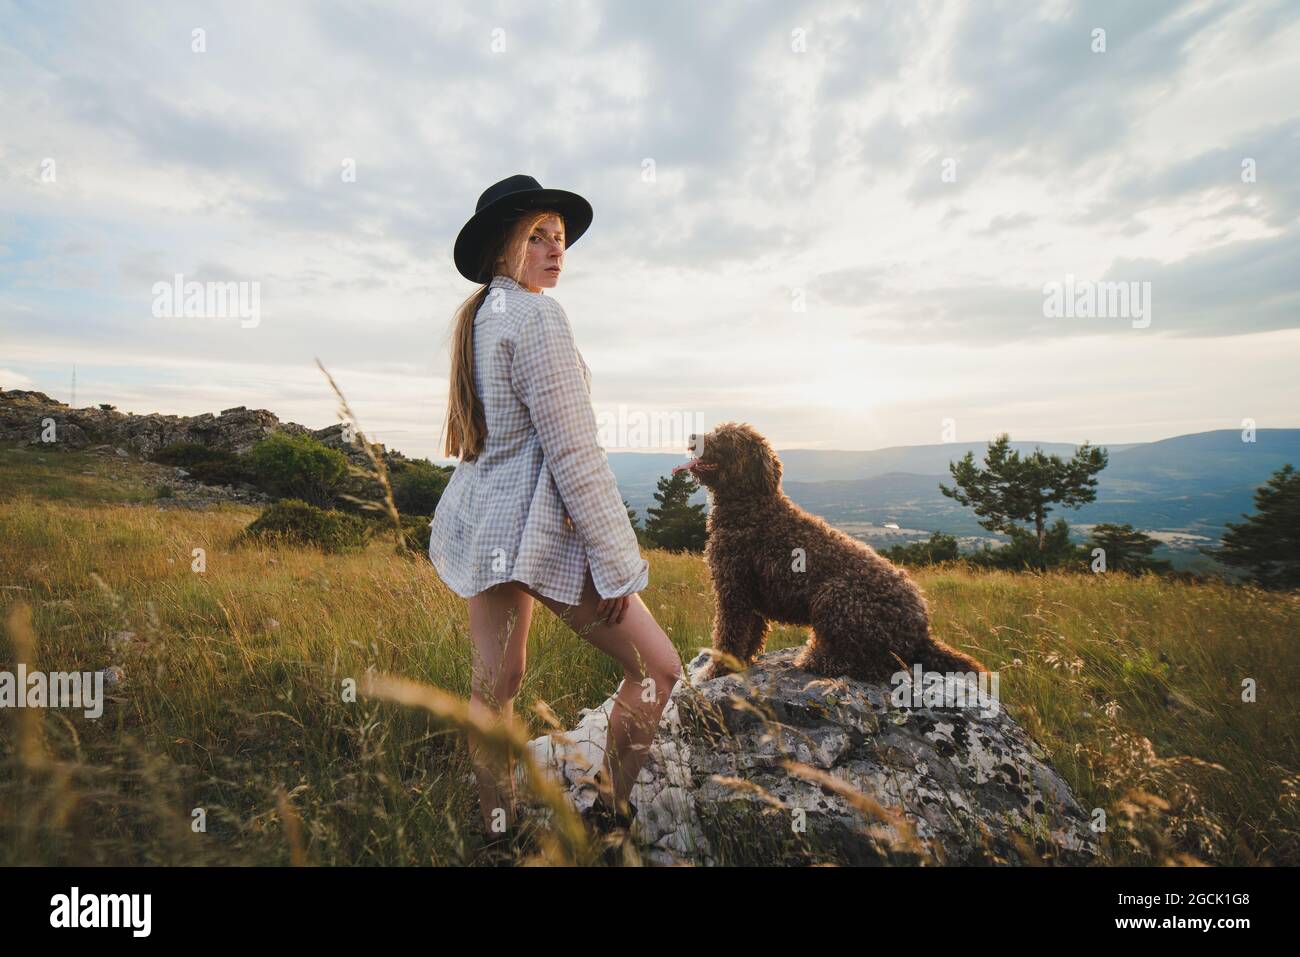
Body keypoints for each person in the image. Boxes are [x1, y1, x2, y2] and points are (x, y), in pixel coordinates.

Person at [429, 175, 683, 856]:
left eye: (559, 237)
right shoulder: (537, 317)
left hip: (487, 526)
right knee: (658, 671)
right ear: (502, 247)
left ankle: (497, 834)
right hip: (531, 530)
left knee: (496, 686)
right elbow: (574, 451)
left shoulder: (485, 316)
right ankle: (607, 816)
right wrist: (616, 562)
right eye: (536, 235)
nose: (554, 249)